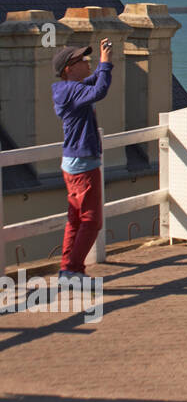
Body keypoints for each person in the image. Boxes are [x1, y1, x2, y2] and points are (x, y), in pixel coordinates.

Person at [50, 38, 113, 280]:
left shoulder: (67, 89)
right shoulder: (73, 91)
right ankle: (72, 270)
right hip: (83, 164)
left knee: (76, 220)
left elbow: (95, 80)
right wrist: (105, 63)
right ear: (69, 68)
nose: (88, 63)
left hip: (74, 163)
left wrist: (104, 60)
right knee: (92, 221)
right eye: (82, 60)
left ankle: (69, 267)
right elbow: (101, 90)